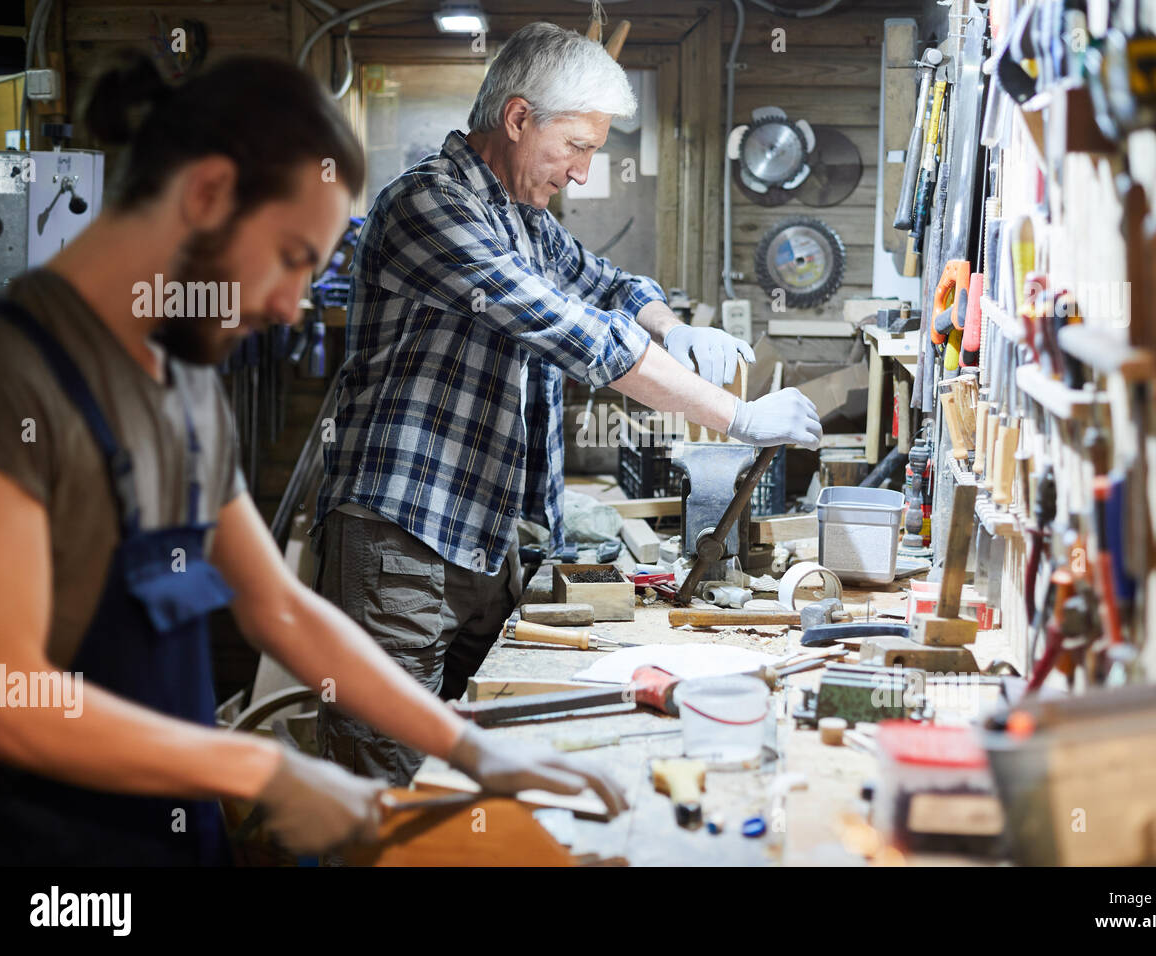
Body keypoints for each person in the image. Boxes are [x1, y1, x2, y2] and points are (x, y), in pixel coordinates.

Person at [0, 52, 625, 867]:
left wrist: (466, 748)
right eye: (290, 256)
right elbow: (2, 699)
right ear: (208, 193)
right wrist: (261, 766)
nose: (292, 304)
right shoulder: (10, 376)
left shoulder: (178, 380)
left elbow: (278, 607)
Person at [315, 22, 822, 784]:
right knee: (387, 786)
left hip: (484, 541)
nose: (583, 173)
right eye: (577, 147)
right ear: (519, 120)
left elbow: (613, 289)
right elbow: (579, 335)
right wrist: (738, 417)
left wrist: (675, 328)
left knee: (475, 779)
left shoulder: (525, 221)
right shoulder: (430, 206)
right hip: (402, 544)